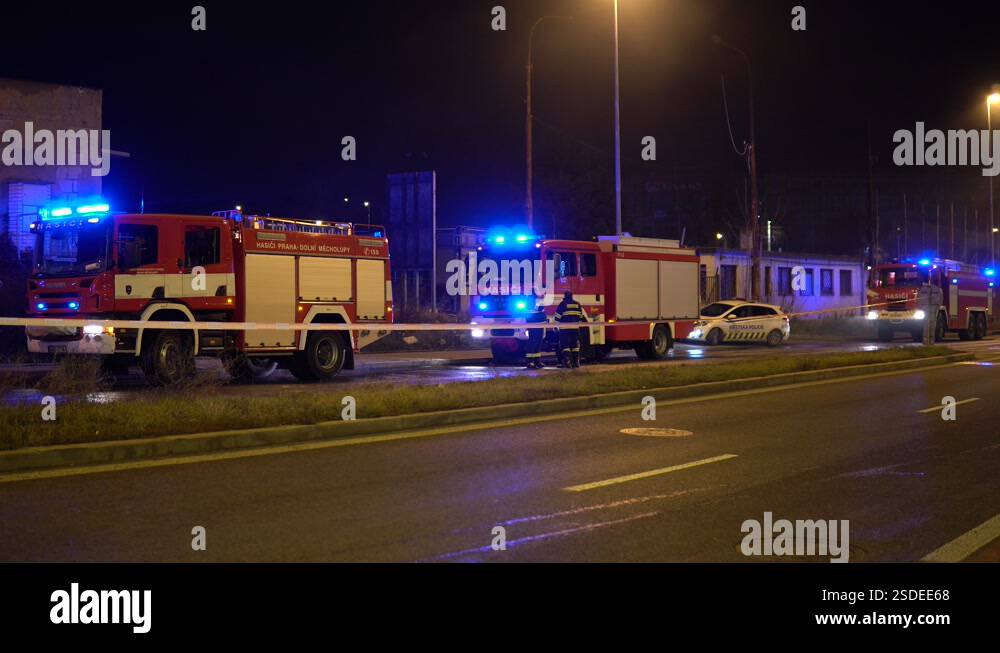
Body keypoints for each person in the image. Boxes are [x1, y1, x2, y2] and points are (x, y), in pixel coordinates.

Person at [554, 290, 585, 368]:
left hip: (565, 329)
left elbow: (557, 317)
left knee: (565, 346)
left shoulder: (563, 304)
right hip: (575, 328)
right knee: (575, 346)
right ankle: (576, 362)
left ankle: (567, 361)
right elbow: (581, 317)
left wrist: (556, 327)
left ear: (565, 296)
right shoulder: (577, 304)